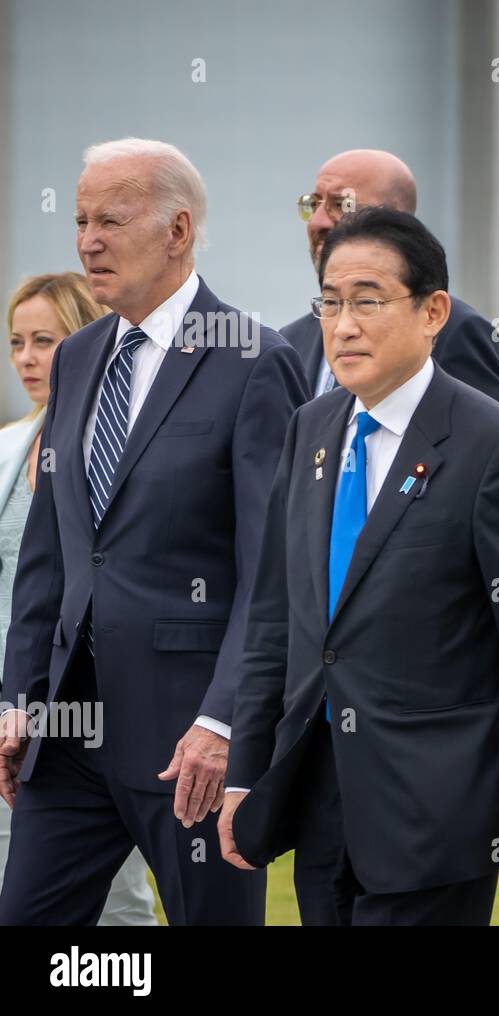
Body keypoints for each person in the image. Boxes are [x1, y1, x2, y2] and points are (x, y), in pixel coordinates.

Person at [219, 206, 499, 926]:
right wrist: (244, 774)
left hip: (437, 808)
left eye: (368, 301)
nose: (343, 325)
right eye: (330, 302)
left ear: (433, 311)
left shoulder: (490, 447)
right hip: (318, 792)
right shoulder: (311, 428)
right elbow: (273, 618)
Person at [0, 138, 308, 925]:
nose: (88, 241)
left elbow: (271, 569)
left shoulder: (253, 359)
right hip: (66, 735)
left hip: (189, 743)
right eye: (80, 220)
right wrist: (18, 697)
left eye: (112, 219)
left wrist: (224, 719)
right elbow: (51, 553)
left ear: (177, 231)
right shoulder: (77, 358)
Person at [0, 273, 157, 925]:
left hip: (87, 702)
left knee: (114, 898)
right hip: (16, 696)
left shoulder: (117, 445)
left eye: (46, 340)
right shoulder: (8, 443)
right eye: (17, 342)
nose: (30, 358)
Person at [283, 149, 499, 416]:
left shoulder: (455, 330)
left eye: (340, 205)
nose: (318, 221)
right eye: (313, 204)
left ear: (397, 220)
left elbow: (490, 443)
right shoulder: (292, 340)